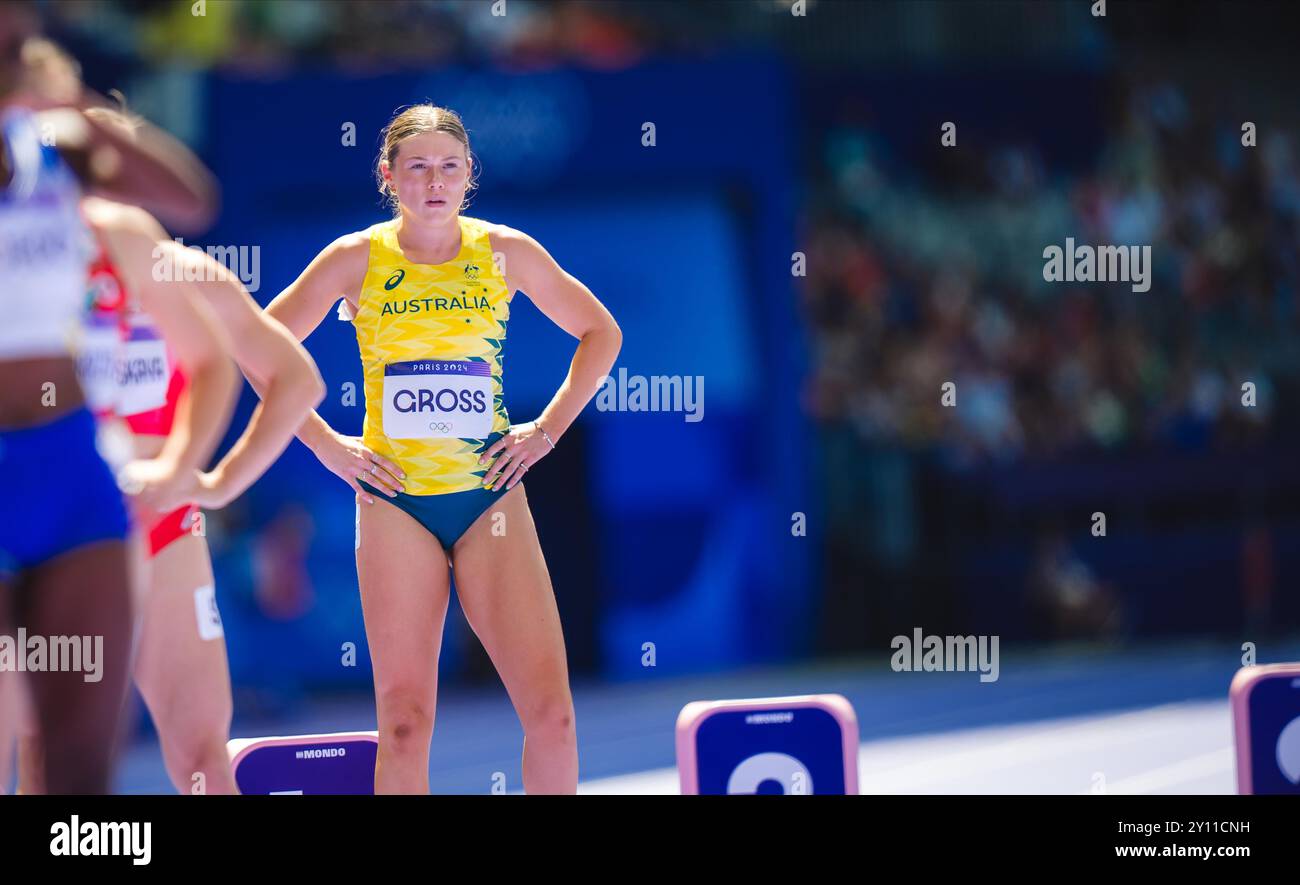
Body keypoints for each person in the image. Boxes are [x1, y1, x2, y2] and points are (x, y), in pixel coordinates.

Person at [265, 104, 621, 793]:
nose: (435, 181)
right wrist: (323, 444)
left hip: (490, 495)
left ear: (469, 178)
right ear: (389, 177)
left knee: (551, 713)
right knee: (403, 722)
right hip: (397, 500)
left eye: (450, 167)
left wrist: (545, 431)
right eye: (419, 167)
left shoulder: (505, 252)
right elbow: (261, 349)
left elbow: (601, 333)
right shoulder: (355, 259)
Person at [0, 4, 228, 793]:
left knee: (78, 765)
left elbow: (192, 198)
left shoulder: (60, 153)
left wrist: (72, 110)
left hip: (70, 465)